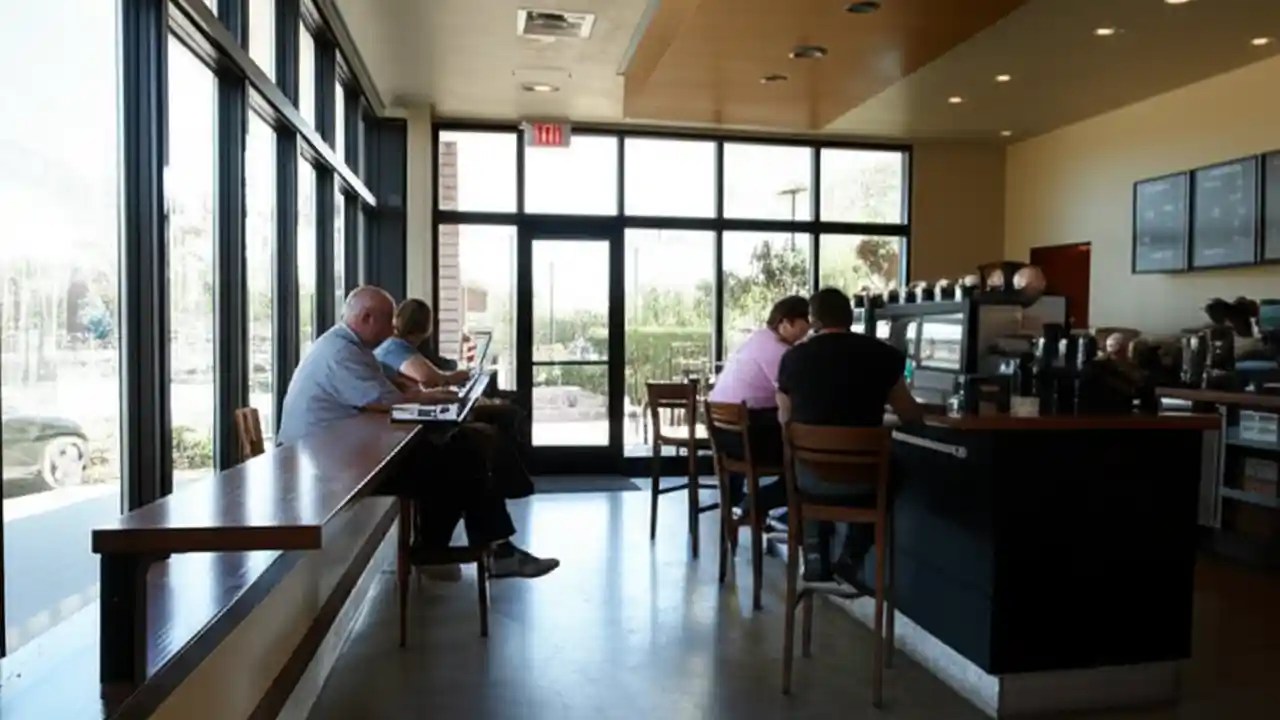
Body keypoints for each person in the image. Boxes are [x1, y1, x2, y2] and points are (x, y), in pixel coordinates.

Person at [277, 286, 558, 579]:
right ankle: (450, 550)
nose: (392, 330)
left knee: (462, 448)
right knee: (461, 457)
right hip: (328, 467)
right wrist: (429, 397)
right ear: (366, 317)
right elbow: (381, 399)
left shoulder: (350, 347)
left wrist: (421, 395)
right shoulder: (341, 352)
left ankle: (451, 549)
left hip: (340, 455)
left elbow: (385, 393)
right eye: (388, 321)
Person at [776, 287, 924, 583]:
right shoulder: (884, 355)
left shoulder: (793, 359)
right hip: (864, 481)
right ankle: (852, 555)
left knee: (804, 462)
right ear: (851, 318)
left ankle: (816, 554)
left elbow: (785, 420)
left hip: (809, 480)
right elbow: (910, 414)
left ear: (814, 320)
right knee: (894, 471)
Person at [375, 298, 534, 500]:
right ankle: (511, 485)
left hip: (412, 411)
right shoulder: (394, 347)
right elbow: (429, 378)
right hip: (409, 422)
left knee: (496, 418)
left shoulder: (398, 347)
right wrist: (456, 377)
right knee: (499, 420)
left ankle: (509, 484)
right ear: (425, 326)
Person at [707, 295, 811, 514]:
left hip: (724, 432)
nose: (809, 328)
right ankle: (761, 503)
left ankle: (740, 502)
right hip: (746, 436)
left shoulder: (758, 339)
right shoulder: (778, 351)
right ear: (786, 322)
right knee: (804, 454)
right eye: (805, 321)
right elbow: (795, 393)